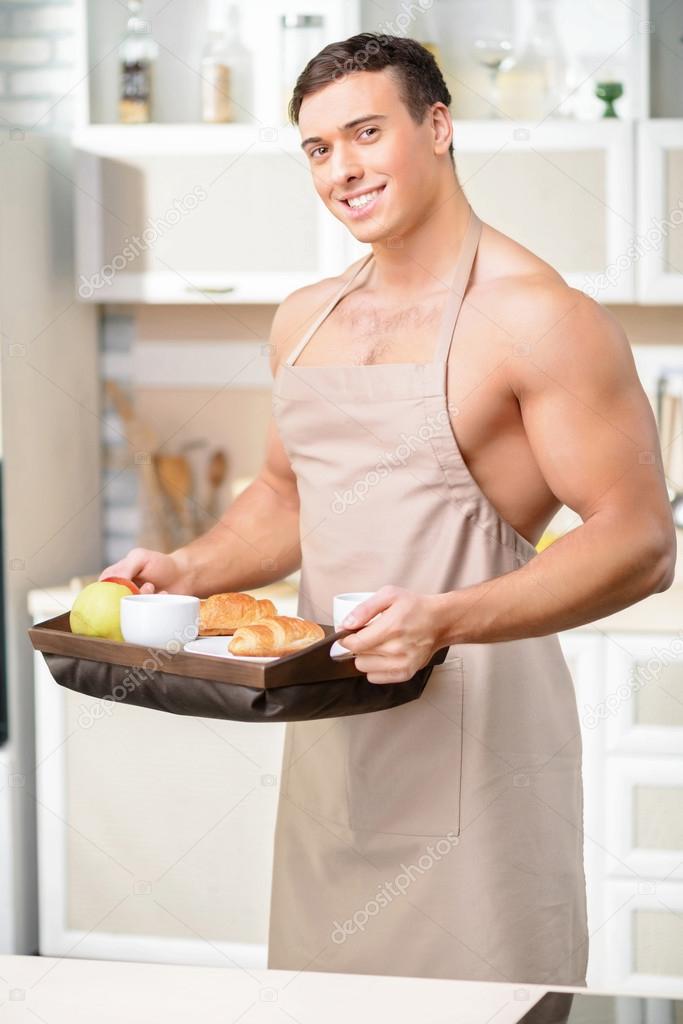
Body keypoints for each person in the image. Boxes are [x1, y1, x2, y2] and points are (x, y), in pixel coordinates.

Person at [100, 34, 676, 986]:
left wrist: (442, 618)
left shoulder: (540, 316)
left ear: (437, 127)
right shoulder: (307, 317)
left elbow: (640, 540)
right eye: (318, 149)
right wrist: (187, 569)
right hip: (334, 740)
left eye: (366, 133)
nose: (342, 169)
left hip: (481, 749)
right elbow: (289, 494)